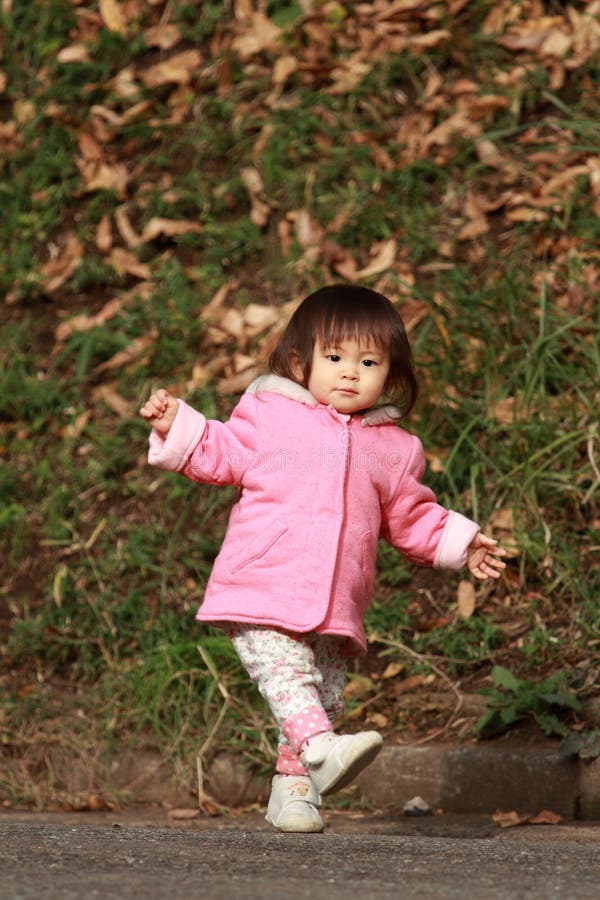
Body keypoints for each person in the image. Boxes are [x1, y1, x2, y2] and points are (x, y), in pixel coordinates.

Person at [139, 284, 506, 833]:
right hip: (261, 585)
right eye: (334, 358)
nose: (350, 373)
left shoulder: (394, 449)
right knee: (288, 678)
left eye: (368, 361)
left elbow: (410, 518)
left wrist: (461, 541)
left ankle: (293, 794)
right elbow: (220, 450)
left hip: (337, 601)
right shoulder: (270, 415)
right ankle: (319, 752)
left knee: (325, 698)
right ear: (299, 361)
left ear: (392, 372)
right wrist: (176, 424)